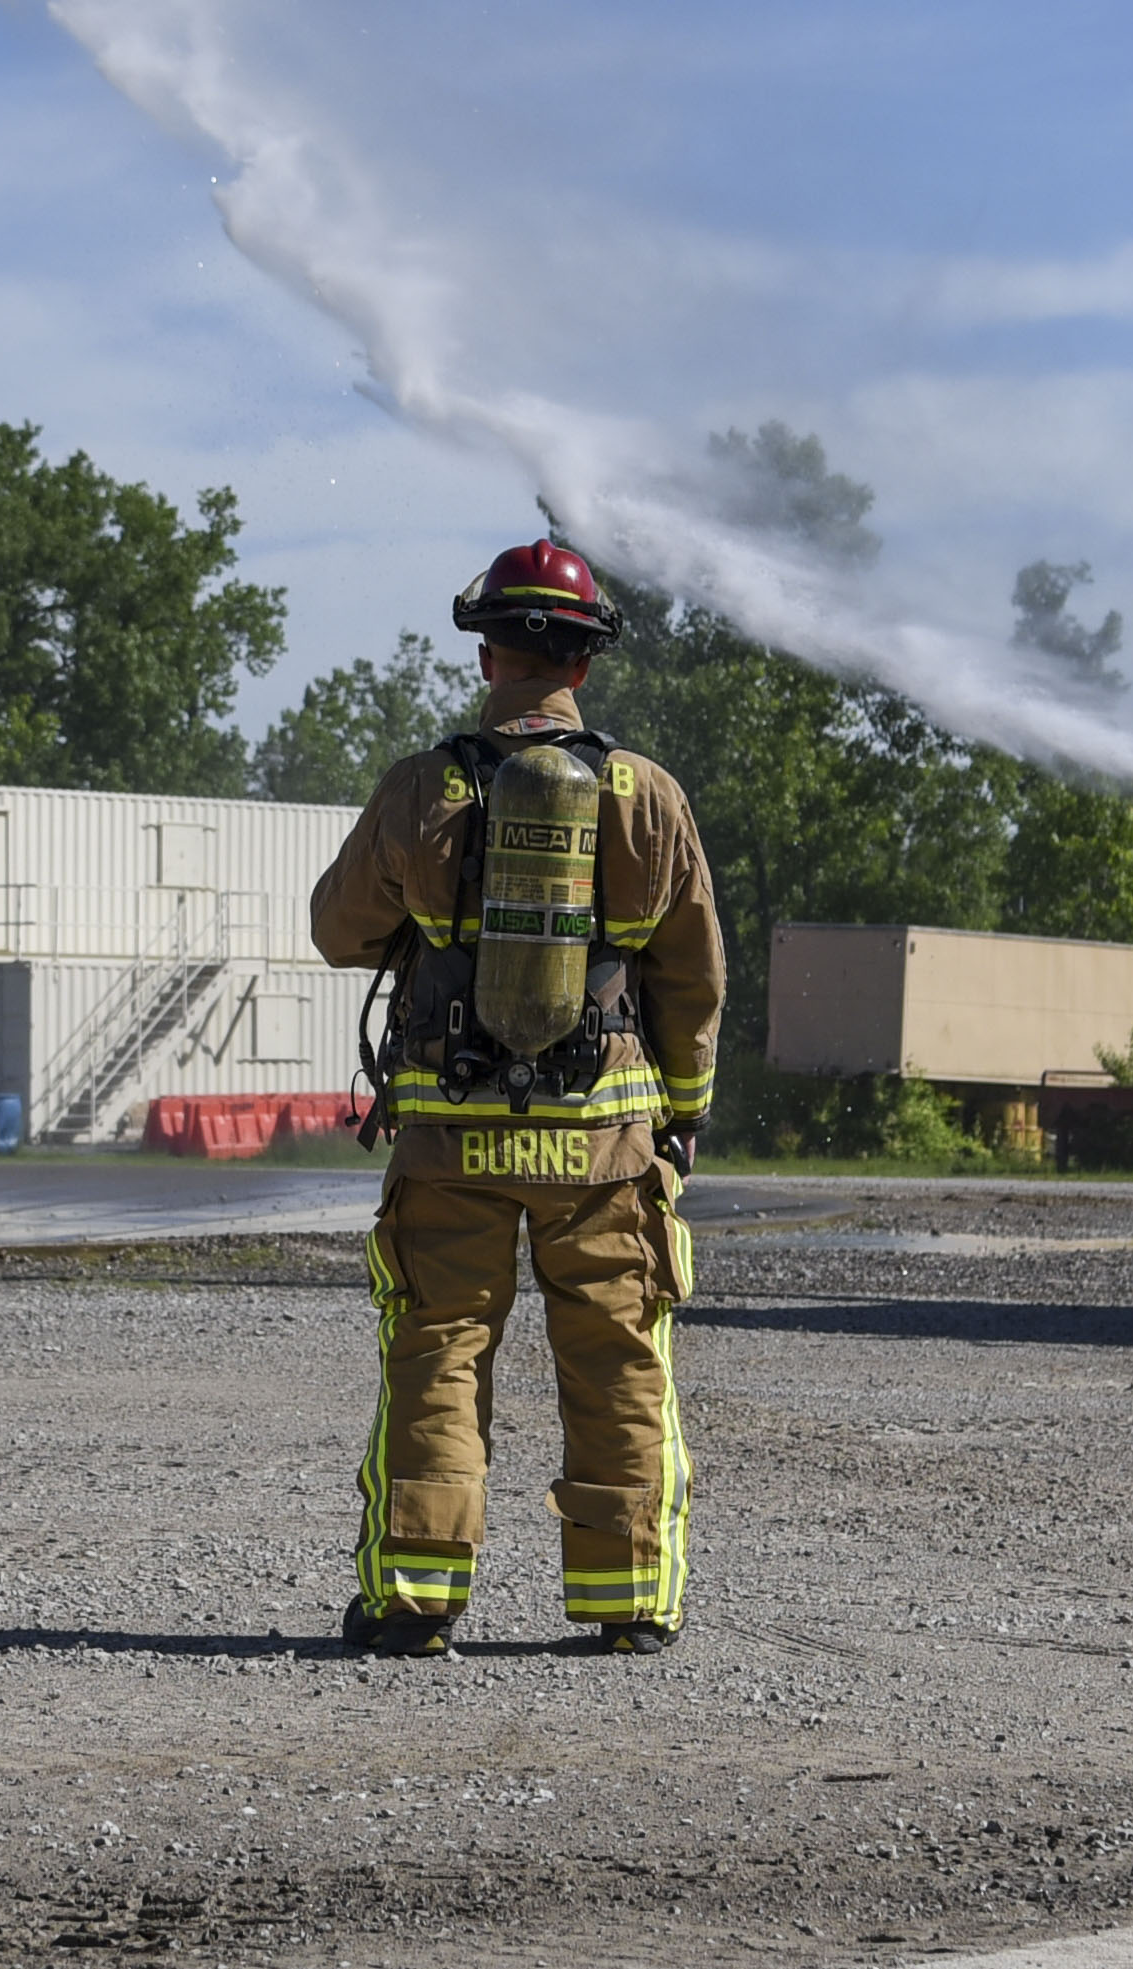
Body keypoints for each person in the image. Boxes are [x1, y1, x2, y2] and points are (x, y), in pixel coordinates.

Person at [309, 536, 724, 1659]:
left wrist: (430, 905)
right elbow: (691, 977)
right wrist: (680, 1119)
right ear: (583, 663)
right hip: (604, 1151)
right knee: (619, 1361)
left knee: (439, 1349)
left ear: (488, 651)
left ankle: (415, 1600)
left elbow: (336, 929)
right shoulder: (648, 797)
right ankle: (630, 1600)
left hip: (452, 1142)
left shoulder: (424, 787)